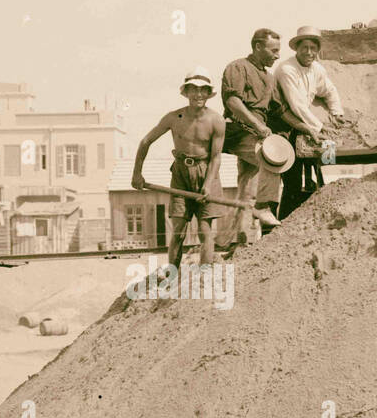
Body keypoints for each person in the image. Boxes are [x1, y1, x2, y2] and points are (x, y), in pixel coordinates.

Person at [131, 68, 225, 267]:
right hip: (181, 174)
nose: (198, 94)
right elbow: (146, 141)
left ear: (209, 94)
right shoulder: (174, 117)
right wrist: (137, 173)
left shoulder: (216, 120)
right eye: (193, 89)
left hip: (207, 172)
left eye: (203, 90)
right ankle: (172, 273)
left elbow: (216, 157)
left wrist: (207, 185)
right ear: (186, 92)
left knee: (204, 230)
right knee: (179, 229)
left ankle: (205, 276)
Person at [272, 26, 344, 216]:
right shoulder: (287, 69)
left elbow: (329, 90)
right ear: (296, 48)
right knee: (292, 180)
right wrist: (321, 129)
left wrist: (337, 114)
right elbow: (297, 105)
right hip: (284, 125)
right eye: (305, 47)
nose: (309, 52)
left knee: (324, 165)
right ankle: (284, 222)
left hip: (306, 124)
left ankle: (323, 211)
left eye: (313, 48)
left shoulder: (317, 69)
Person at [220, 29, 284, 241]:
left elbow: (279, 110)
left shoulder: (269, 77)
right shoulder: (238, 67)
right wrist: (257, 125)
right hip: (237, 130)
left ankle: (241, 239)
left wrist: (307, 126)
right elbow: (233, 102)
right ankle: (264, 207)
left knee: (248, 185)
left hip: (256, 133)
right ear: (258, 46)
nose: (277, 55)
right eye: (273, 50)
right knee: (273, 159)